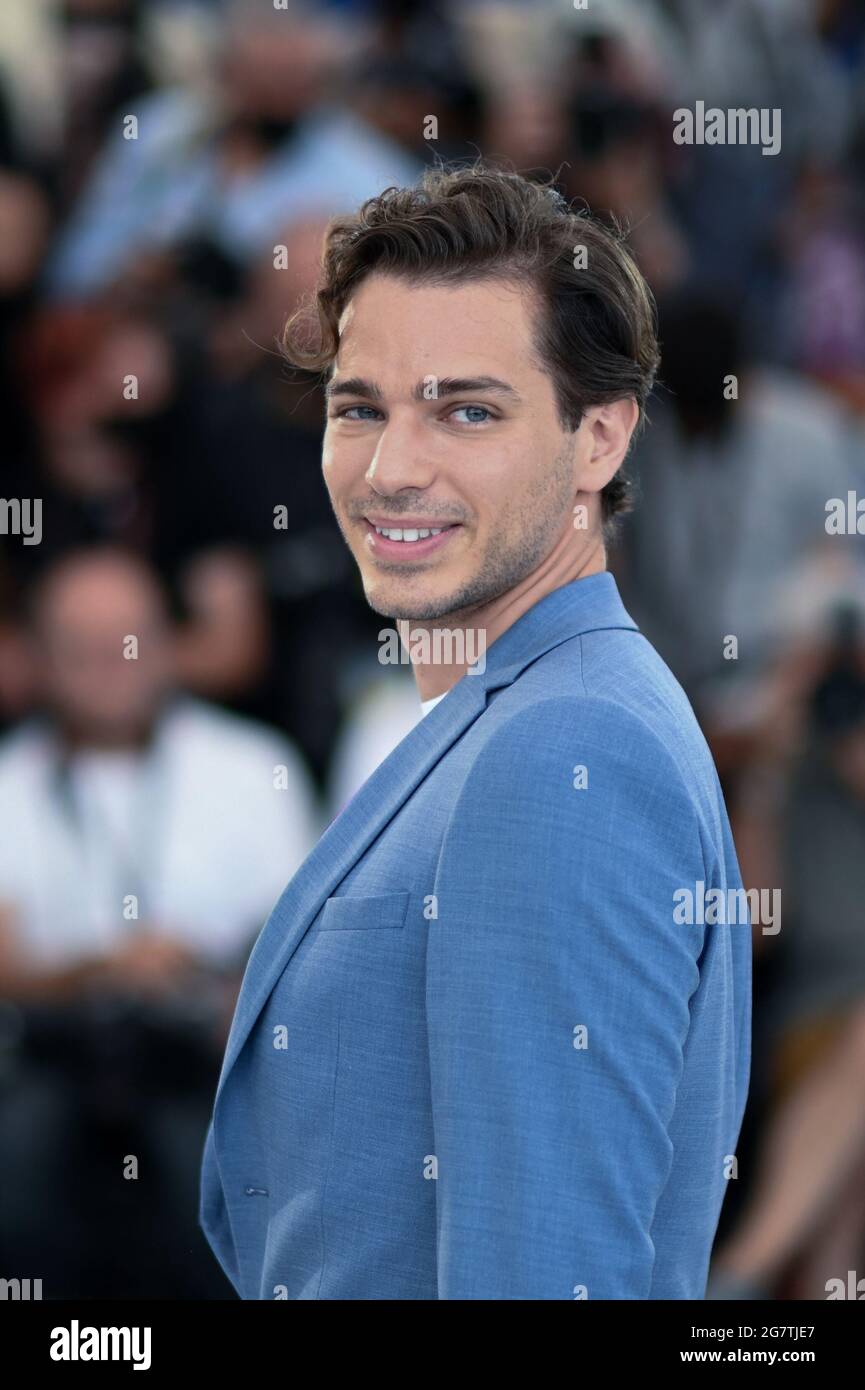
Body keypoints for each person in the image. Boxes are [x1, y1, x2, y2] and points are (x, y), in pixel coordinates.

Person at [200, 162, 752, 1300]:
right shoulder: (526, 714)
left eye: (467, 410)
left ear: (599, 439)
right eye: (359, 408)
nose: (392, 470)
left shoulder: (571, 752)